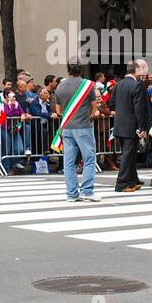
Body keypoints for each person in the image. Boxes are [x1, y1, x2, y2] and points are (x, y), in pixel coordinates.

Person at [53, 62, 100, 202]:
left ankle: (72, 194)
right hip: (83, 126)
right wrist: (89, 115)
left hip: (67, 127)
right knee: (89, 159)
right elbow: (94, 107)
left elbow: (58, 111)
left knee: (68, 162)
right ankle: (87, 191)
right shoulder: (88, 84)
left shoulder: (60, 86)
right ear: (81, 70)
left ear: (68, 70)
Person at [111, 61, 150, 192]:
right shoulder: (137, 85)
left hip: (119, 124)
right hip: (131, 125)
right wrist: (142, 127)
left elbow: (112, 103)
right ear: (136, 71)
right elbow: (139, 108)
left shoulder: (118, 84)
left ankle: (133, 180)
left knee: (129, 153)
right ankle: (121, 183)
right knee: (128, 154)